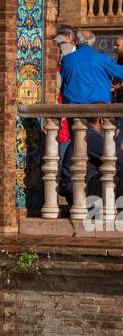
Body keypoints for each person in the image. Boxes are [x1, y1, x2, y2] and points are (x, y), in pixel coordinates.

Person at [58, 30, 123, 208]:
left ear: (77, 43)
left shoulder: (67, 60)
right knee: (103, 151)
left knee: (79, 149)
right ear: (92, 43)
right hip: (97, 114)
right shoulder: (101, 59)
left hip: (74, 114)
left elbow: (61, 84)